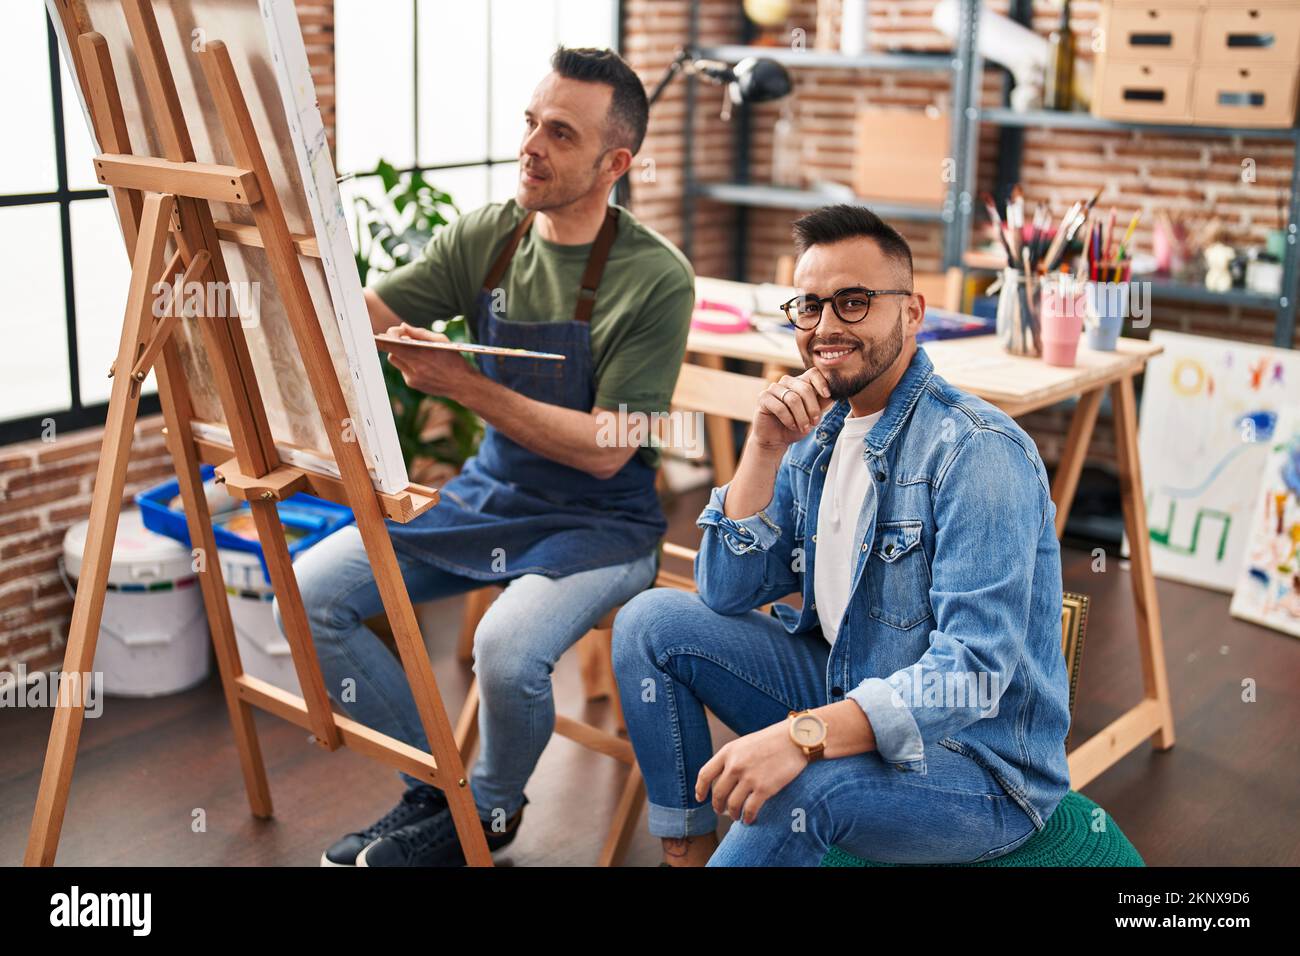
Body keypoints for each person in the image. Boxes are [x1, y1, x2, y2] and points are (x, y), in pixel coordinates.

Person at [278, 46, 695, 867]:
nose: (531, 144)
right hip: (491, 495)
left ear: (616, 163)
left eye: (560, 133)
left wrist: (463, 385)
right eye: (531, 122)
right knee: (311, 593)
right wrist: (299, 248)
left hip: (601, 524)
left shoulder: (655, 279)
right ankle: (438, 792)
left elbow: (612, 452)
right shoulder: (490, 237)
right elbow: (371, 315)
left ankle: (494, 813)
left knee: (506, 649)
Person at [612, 204, 1072, 867]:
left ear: (913, 313)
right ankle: (686, 851)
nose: (826, 327)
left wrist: (802, 737)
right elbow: (723, 588)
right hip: (848, 689)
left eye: (853, 303)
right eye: (810, 305)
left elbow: (971, 677)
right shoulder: (817, 435)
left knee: (800, 786)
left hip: (977, 769)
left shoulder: (978, 451)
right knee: (650, 620)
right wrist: (763, 450)